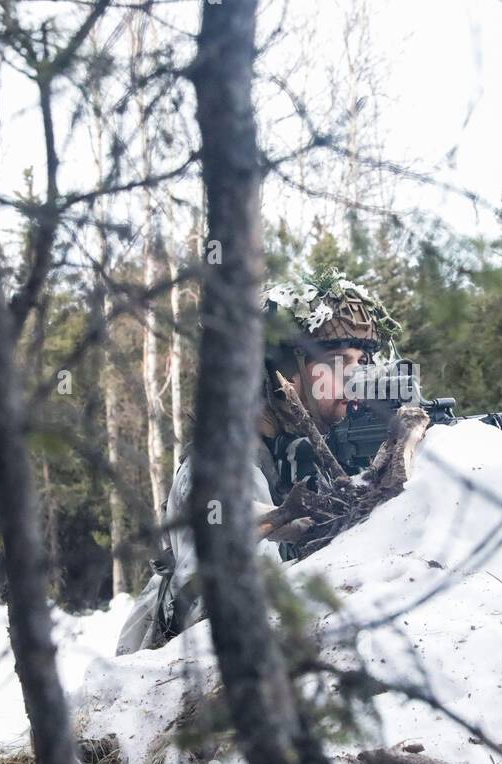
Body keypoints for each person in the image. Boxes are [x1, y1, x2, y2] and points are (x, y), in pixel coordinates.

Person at [116, 270, 398, 654]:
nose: (355, 376)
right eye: (337, 361)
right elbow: (239, 612)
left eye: (362, 361)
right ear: (281, 371)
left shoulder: (309, 450)